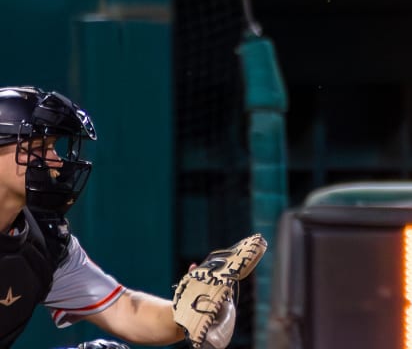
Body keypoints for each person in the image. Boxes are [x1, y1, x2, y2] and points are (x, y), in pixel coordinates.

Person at [0, 86, 245, 349]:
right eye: (36, 147)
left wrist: (188, 313)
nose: (54, 161)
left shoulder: (45, 241)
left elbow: (125, 310)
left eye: (51, 147)